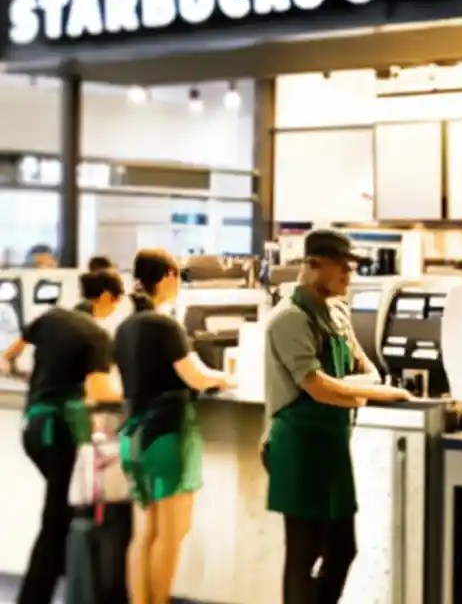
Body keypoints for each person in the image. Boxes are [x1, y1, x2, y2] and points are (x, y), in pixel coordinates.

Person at [264, 230, 411, 604]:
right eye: (341, 266)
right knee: (302, 553)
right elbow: (316, 385)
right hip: (298, 446)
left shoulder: (337, 314)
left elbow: (368, 371)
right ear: (313, 266)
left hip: (332, 445)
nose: (349, 274)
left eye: (352, 266)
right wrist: (372, 393)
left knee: (343, 548)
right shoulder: (289, 318)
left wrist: (351, 387)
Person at [114, 249, 235, 604]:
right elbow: (194, 377)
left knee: (143, 533)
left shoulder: (125, 327)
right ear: (168, 276)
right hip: (166, 435)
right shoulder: (165, 325)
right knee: (172, 532)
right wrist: (225, 378)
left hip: (133, 437)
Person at [1, 270, 122, 604]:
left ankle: (70, 588)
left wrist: (32, 378)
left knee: (65, 515)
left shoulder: (50, 317)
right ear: (109, 298)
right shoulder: (97, 336)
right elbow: (100, 391)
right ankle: (36, 597)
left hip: (33, 428)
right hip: (60, 433)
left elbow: (8, 355)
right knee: (58, 520)